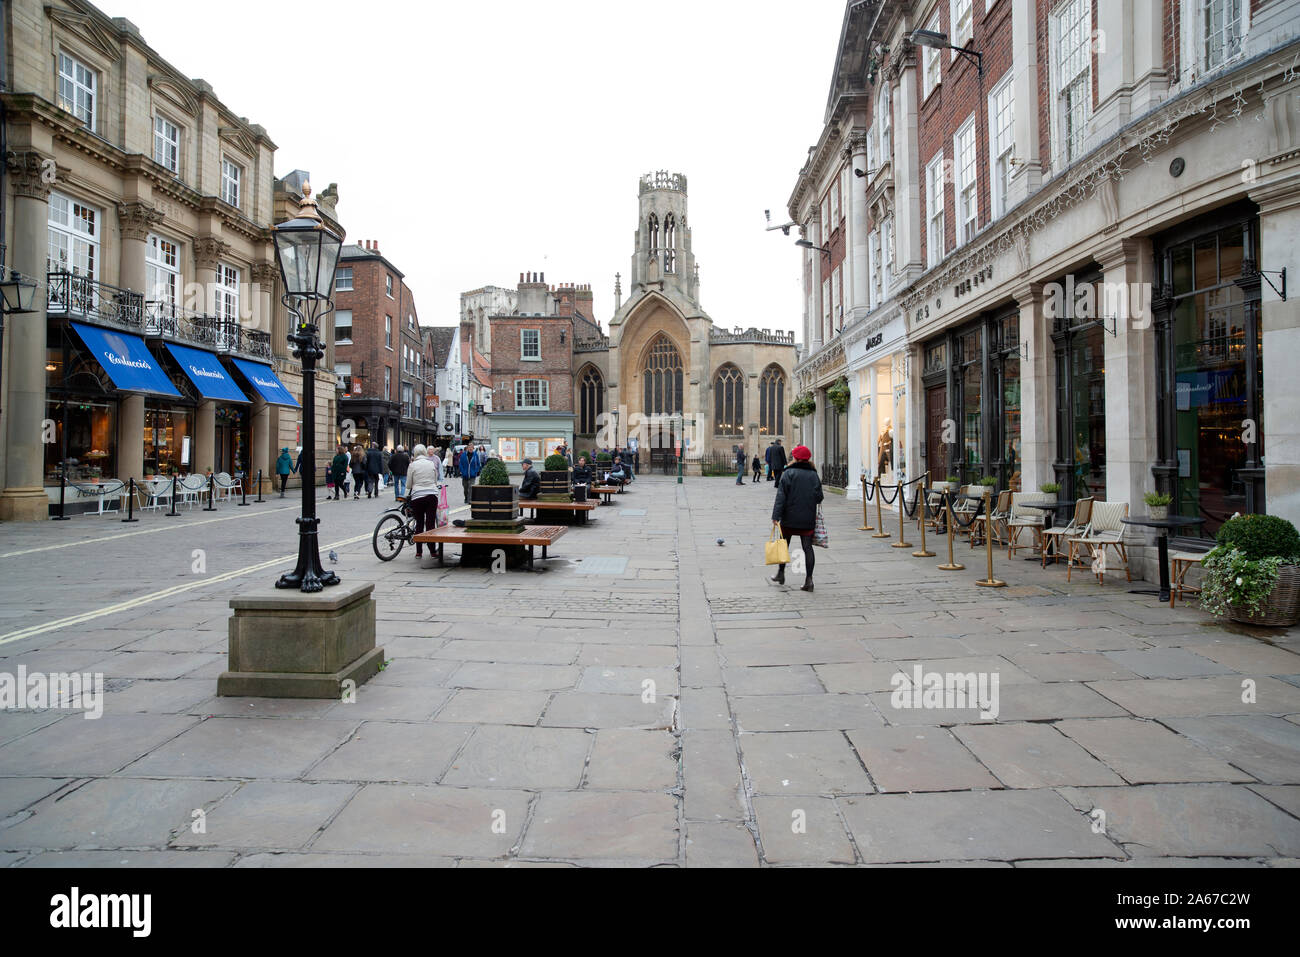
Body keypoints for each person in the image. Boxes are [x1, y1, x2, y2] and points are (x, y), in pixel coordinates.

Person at [770, 444, 822, 592]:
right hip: (807, 517)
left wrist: (776, 516)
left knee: (783, 545)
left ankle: (781, 573)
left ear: (796, 458)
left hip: (789, 517)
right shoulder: (813, 474)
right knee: (807, 548)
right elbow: (819, 497)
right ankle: (809, 580)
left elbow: (781, 497)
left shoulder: (788, 473)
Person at [406, 444, 441, 559]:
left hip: (417, 497)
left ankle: (419, 552)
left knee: (419, 523)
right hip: (431, 495)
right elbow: (435, 480)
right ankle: (432, 551)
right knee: (430, 524)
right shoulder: (431, 463)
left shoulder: (412, 465)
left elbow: (409, 484)